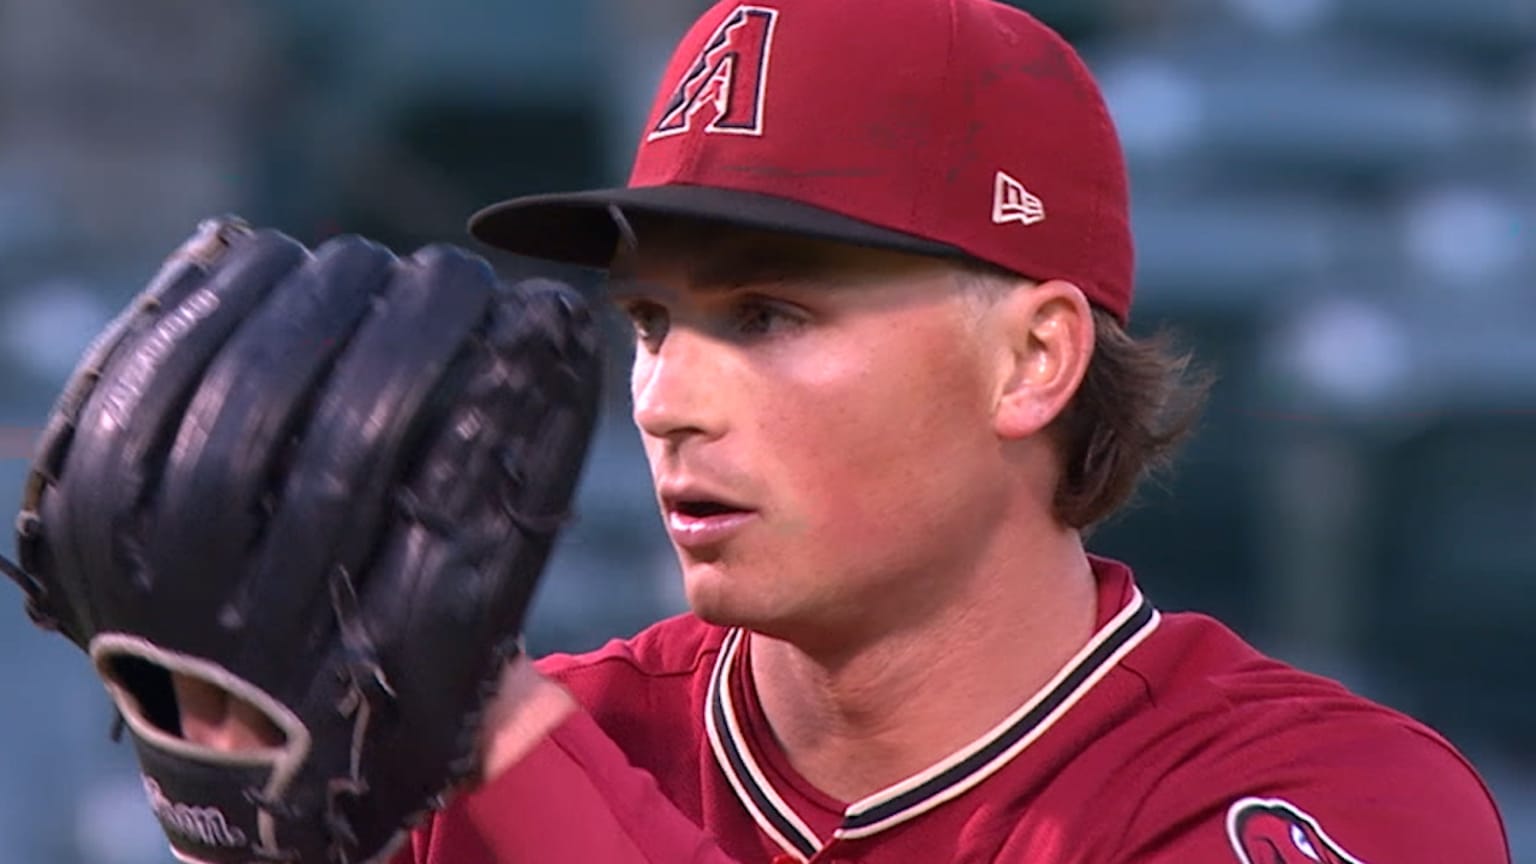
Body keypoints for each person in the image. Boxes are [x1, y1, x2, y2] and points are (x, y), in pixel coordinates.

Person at [177, 1, 1512, 861]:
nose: (666, 400)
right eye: (651, 321)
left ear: (1033, 360)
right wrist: (223, 774)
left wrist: (515, 758)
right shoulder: (544, 741)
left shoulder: (1315, 800)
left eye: (767, 315)